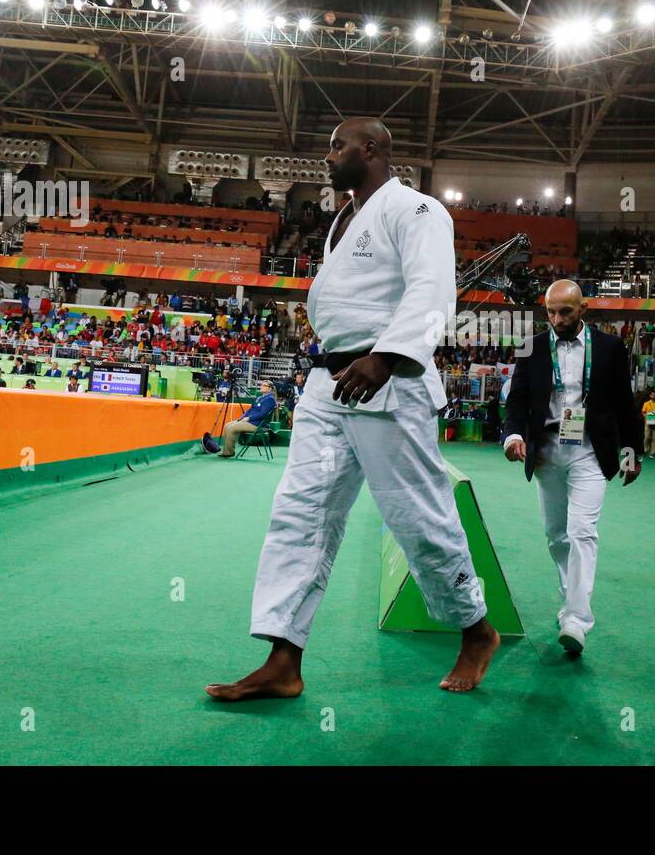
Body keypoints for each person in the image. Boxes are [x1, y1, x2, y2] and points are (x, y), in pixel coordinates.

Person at [206, 117, 497, 701]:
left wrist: (387, 357)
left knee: (415, 516)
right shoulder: (341, 219)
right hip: (327, 382)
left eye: (337, 144)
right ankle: (284, 658)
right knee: (300, 511)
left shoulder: (416, 210)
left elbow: (433, 290)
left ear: (372, 149)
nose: (328, 153)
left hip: (386, 379)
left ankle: (476, 629)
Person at [500, 279, 642, 655]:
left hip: (590, 452)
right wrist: (513, 436)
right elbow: (516, 401)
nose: (557, 318)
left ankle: (578, 619)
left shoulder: (610, 348)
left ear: (584, 309)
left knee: (582, 531)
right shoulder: (531, 347)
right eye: (550, 312)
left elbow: (625, 404)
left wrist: (631, 451)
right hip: (546, 452)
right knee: (556, 536)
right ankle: (569, 602)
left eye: (565, 311)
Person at [219, 381, 278, 458]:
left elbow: (262, 414)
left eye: (264, 385)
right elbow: (249, 410)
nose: (261, 386)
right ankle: (227, 450)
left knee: (231, 428)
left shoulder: (270, 399)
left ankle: (228, 452)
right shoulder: (260, 398)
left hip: (258, 424)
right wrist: (241, 418)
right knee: (227, 425)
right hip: (251, 421)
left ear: (270, 389)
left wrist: (249, 418)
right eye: (261, 385)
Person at [641, 390, 655, 455]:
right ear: (650, 395)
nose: (653, 395)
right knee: (646, 437)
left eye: (654, 394)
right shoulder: (646, 403)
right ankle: (645, 449)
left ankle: (652, 452)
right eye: (652, 394)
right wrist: (647, 417)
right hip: (648, 422)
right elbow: (643, 412)